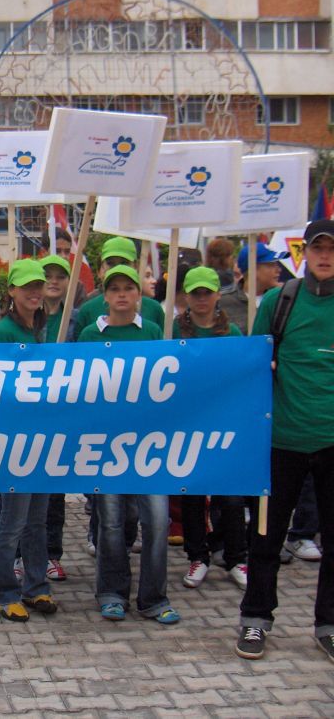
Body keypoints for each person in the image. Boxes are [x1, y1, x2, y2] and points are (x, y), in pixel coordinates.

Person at [236, 219, 334, 664]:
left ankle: (328, 624)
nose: (325, 256)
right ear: (305, 253)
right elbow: (255, 363)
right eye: (318, 248)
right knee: (266, 538)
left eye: (332, 249)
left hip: (331, 442)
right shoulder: (280, 301)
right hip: (280, 441)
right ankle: (256, 618)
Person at [78, 265, 180, 626]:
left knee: (156, 520)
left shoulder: (153, 331)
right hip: (106, 444)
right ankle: (111, 592)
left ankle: (153, 597)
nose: (122, 294)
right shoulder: (90, 334)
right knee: (110, 522)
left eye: (128, 288)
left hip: (149, 444)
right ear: (104, 296)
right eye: (114, 288)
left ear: (139, 294)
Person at [0, 259, 58, 621]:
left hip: (43, 439)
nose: (34, 291)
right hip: (15, 441)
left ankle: (36, 586)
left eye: (38, 285)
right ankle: (3, 591)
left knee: (37, 522)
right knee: (12, 521)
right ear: (11, 292)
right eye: (26, 285)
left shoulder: (44, 330)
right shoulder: (3, 332)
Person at [172, 267, 248, 592]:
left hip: (224, 424)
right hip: (189, 424)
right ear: (187, 297)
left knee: (230, 497)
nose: (201, 299)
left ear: (218, 294)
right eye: (195, 293)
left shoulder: (234, 333)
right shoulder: (173, 330)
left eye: (207, 292)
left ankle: (235, 557)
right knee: (191, 495)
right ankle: (198, 556)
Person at [38, 253, 79, 581]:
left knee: (55, 495)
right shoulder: (28, 319)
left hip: (63, 421)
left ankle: (52, 553)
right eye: (46, 275)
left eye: (59, 276)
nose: (53, 281)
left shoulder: (76, 321)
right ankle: (24, 555)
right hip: (30, 420)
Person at [74, 236, 165, 333]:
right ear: (101, 269)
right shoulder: (87, 310)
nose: (117, 268)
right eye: (111, 263)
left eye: (124, 263)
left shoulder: (154, 309)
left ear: (136, 267)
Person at [218, 242, 288, 334]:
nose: (279, 270)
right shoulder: (223, 301)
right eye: (271, 265)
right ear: (253, 268)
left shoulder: (283, 300)